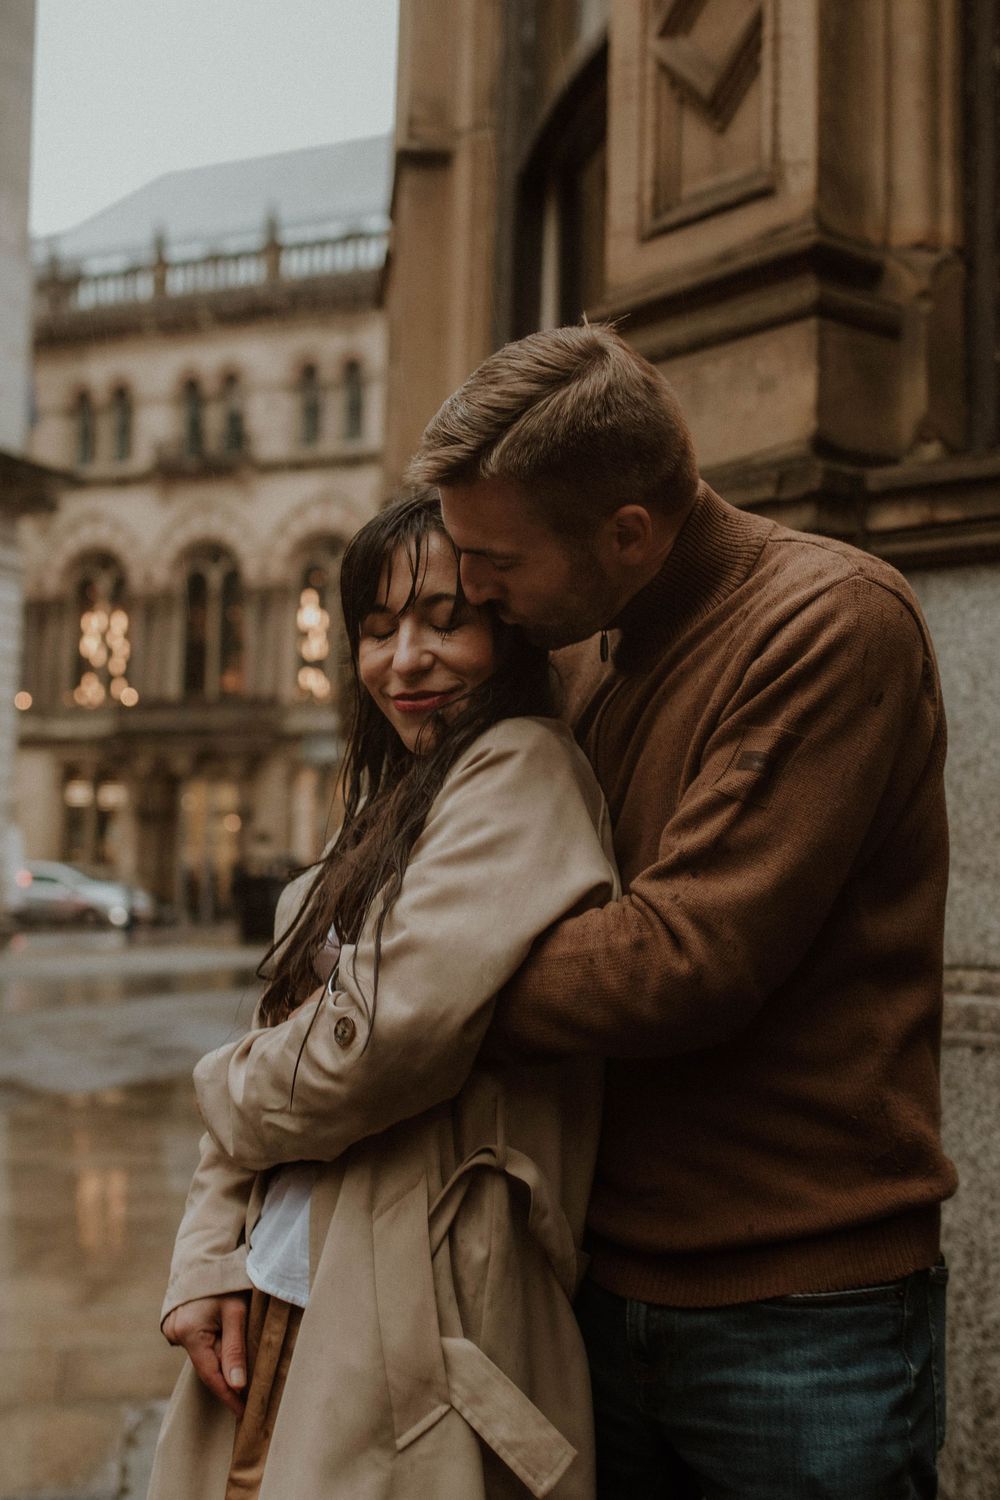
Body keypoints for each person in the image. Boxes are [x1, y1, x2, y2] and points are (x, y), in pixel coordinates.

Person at [406, 322, 958, 1500]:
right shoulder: (595, 654)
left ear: (627, 534)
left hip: (804, 1314)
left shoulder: (830, 620)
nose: (469, 586)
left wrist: (410, 987)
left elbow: (681, 959)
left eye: (495, 557)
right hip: (604, 1287)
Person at [148, 490, 619, 1500]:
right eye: (375, 628)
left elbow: (370, 1050)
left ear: (511, 630)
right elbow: (287, 1034)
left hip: (399, 1332)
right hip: (271, 1312)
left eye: (445, 620)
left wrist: (218, 1083)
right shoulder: (386, 804)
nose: (404, 658)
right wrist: (200, 1262)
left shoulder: (521, 768)